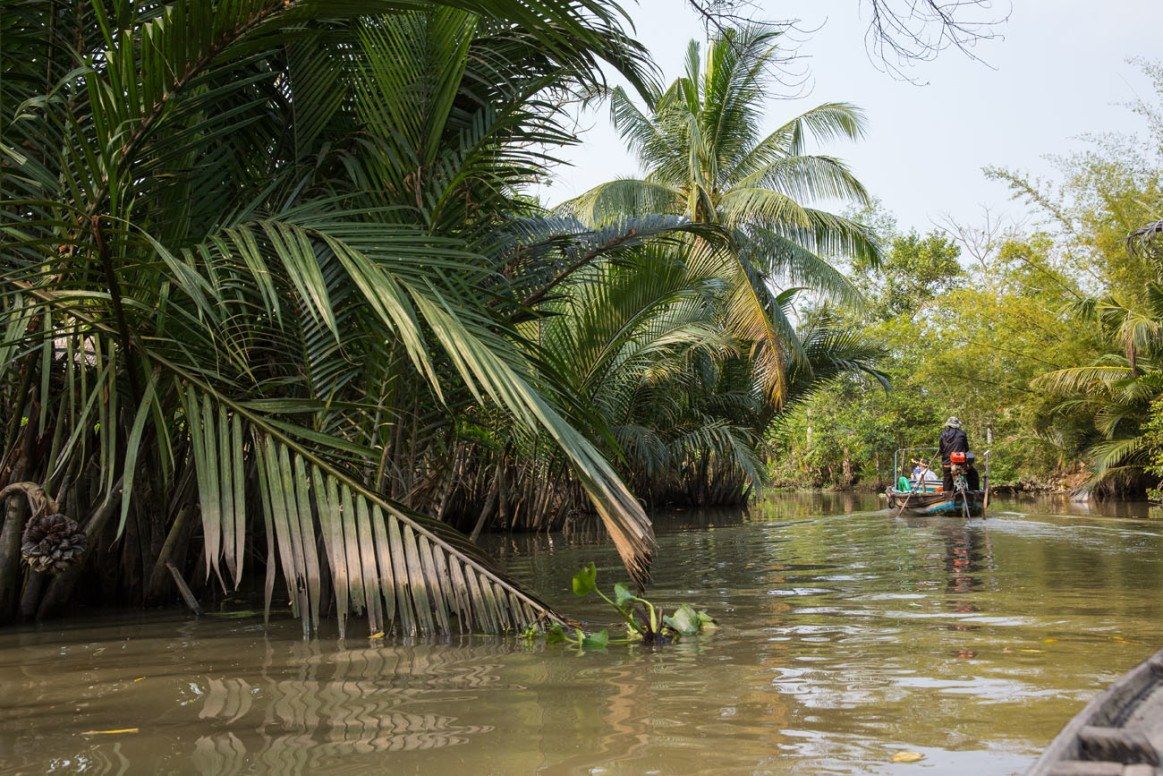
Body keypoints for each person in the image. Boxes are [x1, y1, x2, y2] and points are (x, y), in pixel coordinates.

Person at [938, 417, 970, 492]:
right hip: (961, 463)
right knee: (971, 473)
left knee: (947, 477)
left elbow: (941, 450)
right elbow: (967, 449)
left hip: (947, 462)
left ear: (948, 425)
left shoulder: (943, 434)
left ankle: (947, 494)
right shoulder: (962, 434)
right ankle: (968, 491)